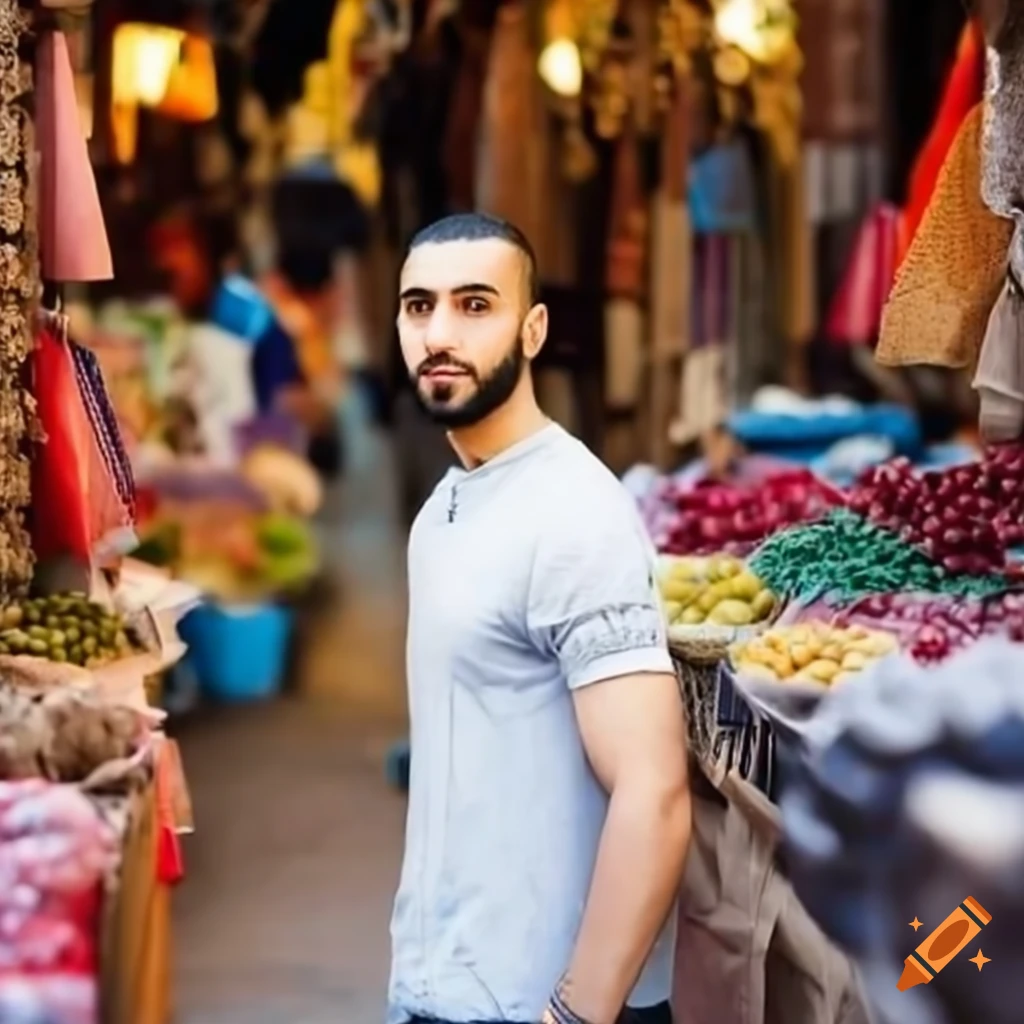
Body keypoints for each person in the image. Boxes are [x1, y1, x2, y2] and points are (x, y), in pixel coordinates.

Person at [388, 213, 692, 1024]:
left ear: (533, 329)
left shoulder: (572, 513)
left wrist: (578, 1010)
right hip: (447, 987)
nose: (440, 333)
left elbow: (654, 791)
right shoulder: (444, 509)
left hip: (540, 1005)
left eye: (475, 305)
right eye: (419, 307)